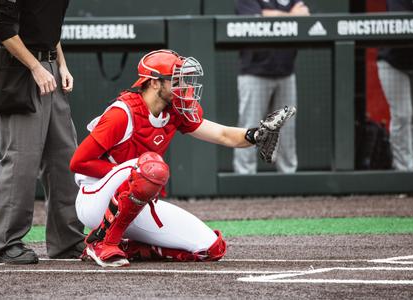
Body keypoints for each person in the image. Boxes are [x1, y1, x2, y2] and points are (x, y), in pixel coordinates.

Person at [70, 49, 296, 267]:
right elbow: (78, 163)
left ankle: (130, 246)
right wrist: (132, 176)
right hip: (94, 200)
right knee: (151, 168)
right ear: (154, 82)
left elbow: (224, 135)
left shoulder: (175, 110)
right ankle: (101, 241)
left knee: (211, 247)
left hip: (134, 201)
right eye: (177, 80)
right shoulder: (122, 113)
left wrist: (256, 135)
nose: (185, 86)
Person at [0, 0, 85, 264]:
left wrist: (61, 65)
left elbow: (49, 31)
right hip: (21, 72)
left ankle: (68, 240)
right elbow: (3, 28)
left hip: (50, 70)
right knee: (21, 161)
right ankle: (3, 244)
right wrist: (35, 67)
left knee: (65, 160)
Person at [233, 0, 309, 174]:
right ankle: (244, 177)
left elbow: (304, 14)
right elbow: (253, 18)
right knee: (250, 128)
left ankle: (288, 176)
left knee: (287, 129)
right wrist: (291, 16)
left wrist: (272, 14)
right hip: (254, 72)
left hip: (286, 73)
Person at [377, 0, 413, 171]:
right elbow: (404, 22)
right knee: (402, 115)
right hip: (392, 63)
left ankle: (411, 164)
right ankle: (403, 169)